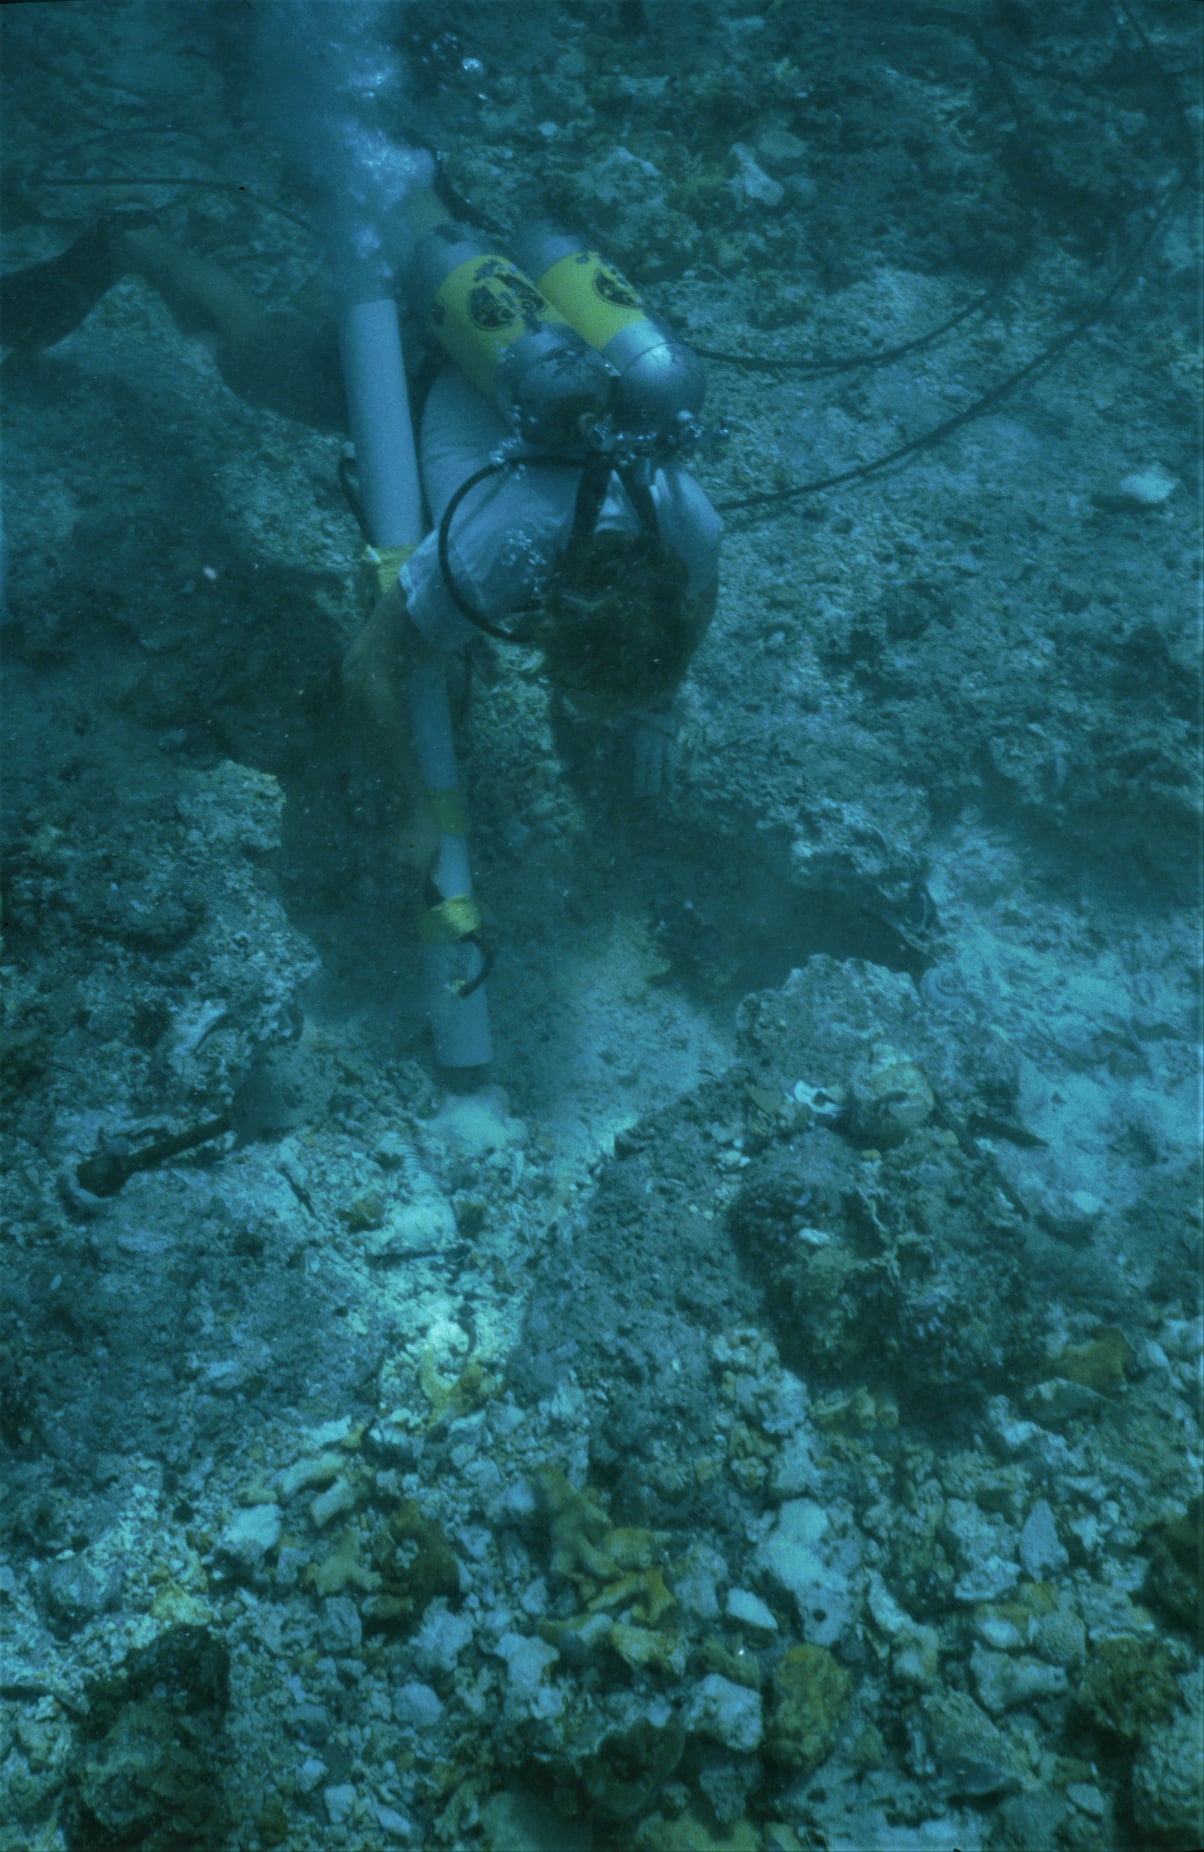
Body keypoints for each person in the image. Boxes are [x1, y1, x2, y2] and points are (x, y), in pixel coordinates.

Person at [1, 191, 722, 873]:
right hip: (408, 372)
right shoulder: (501, 550)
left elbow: (683, 611)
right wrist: (414, 810)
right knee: (251, 359)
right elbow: (368, 668)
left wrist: (654, 707)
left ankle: (409, 181)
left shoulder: (687, 526)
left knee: (418, 212)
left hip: (523, 360)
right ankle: (133, 240)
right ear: (558, 629)